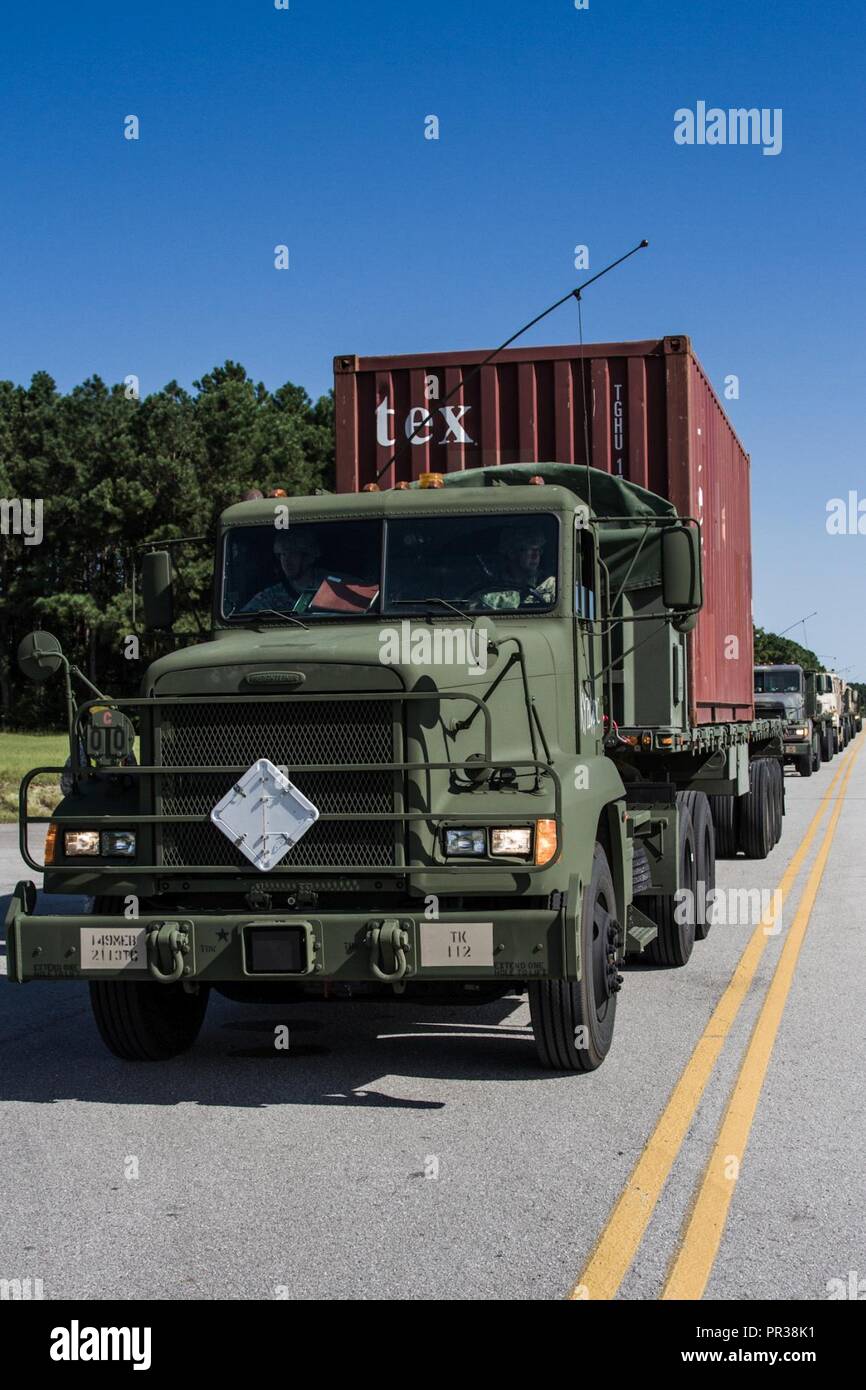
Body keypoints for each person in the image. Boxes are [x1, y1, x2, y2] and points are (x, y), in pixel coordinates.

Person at [470, 524, 556, 609]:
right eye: (528, 550)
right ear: (512, 553)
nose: (535, 556)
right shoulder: (490, 587)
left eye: (538, 550)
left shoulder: (549, 585)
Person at [242, 529, 322, 613]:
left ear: (309, 557)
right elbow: (243, 618)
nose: (286, 561)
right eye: (283, 554)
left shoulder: (330, 585)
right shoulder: (272, 595)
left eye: (293, 553)